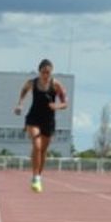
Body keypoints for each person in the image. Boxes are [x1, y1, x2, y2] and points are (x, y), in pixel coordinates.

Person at [14, 59, 68, 192]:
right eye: (44, 72)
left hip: (48, 120)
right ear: (39, 71)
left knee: (43, 150)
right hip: (34, 118)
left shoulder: (56, 85)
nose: (46, 75)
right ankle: (35, 177)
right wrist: (20, 104)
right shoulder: (32, 82)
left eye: (48, 72)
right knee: (37, 146)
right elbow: (24, 90)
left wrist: (57, 106)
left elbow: (65, 103)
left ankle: (38, 176)